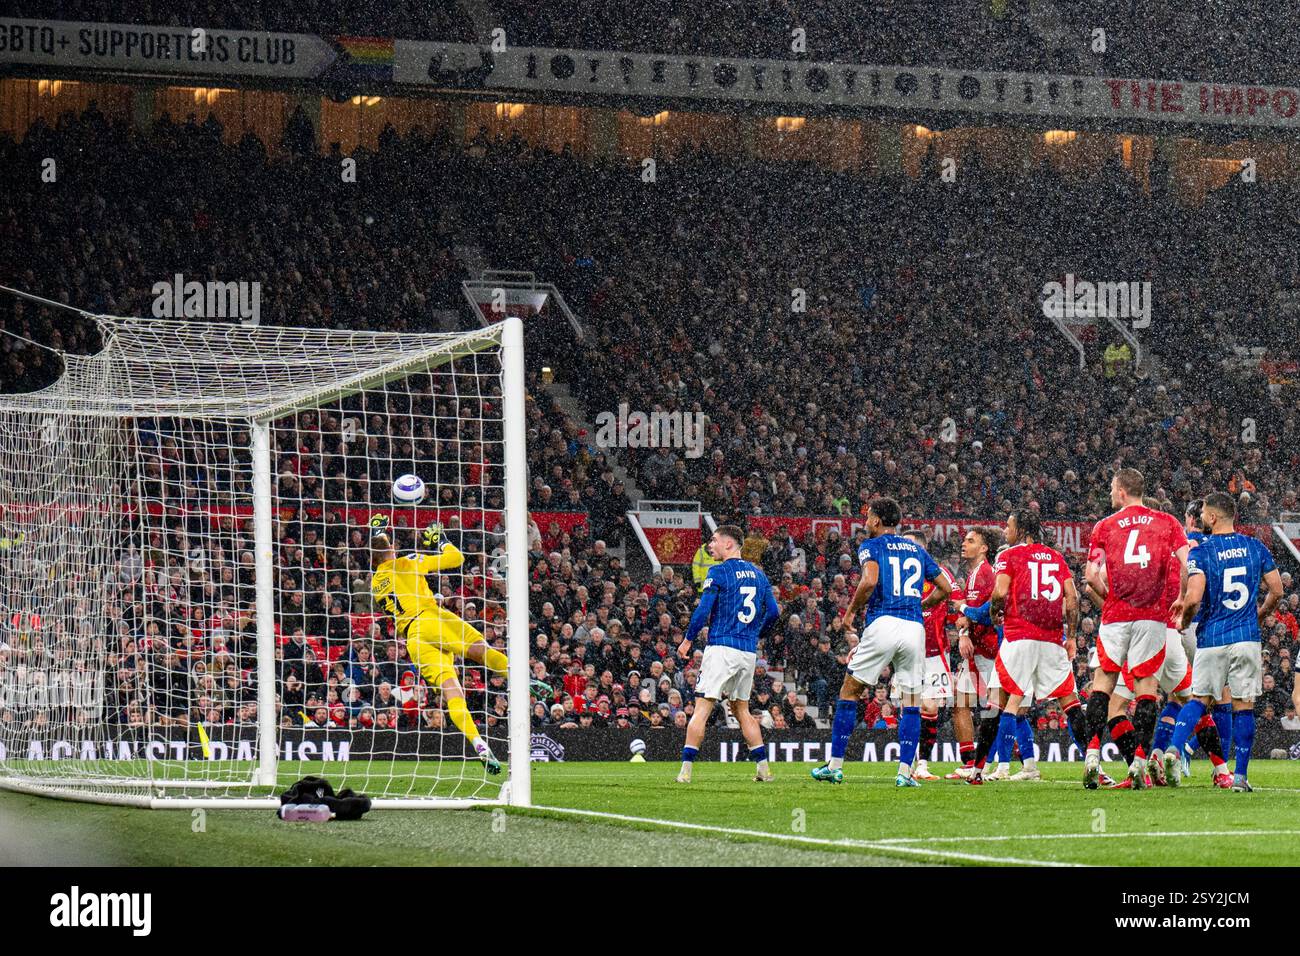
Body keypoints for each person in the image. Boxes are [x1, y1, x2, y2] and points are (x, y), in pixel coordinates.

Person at [812, 498, 951, 788]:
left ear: (876, 521)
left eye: (868, 517)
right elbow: (946, 588)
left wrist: (849, 613)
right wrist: (921, 604)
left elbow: (870, 580)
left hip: (883, 623)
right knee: (912, 703)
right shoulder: (915, 548)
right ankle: (904, 773)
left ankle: (835, 766)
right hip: (914, 628)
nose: (865, 522)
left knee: (849, 692)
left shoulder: (871, 546)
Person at [369, 515, 507, 774]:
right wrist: (439, 540)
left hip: (413, 639)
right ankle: (520, 680)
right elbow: (456, 558)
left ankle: (477, 741)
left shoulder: (376, 583)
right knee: (479, 650)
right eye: (390, 544)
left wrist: (377, 531)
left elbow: (377, 550)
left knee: (452, 691)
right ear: (389, 550)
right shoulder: (405, 563)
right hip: (429, 619)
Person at [1167, 493, 1283, 791]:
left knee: (1199, 699)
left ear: (1213, 518)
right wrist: (1258, 615)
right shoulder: (1255, 547)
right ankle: (1240, 777)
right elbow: (1278, 590)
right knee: (1243, 705)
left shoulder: (1202, 551)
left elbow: (1193, 597)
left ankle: (1173, 751)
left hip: (1212, 637)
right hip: (1246, 637)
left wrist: (1185, 619)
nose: (1202, 516)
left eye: (1204, 512)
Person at [1082, 468, 1189, 790]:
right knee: (1147, 689)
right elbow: (1188, 562)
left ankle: (1091, 756)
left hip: (1116, 616)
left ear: (1122, 491)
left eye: (1113, 489)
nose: (1111, 494)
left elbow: (1090, 575)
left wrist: (1109, 596)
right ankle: (1139, 763)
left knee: (1103, 683)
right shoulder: (1167, 523)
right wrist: (1182, 597)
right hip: (1152, 618)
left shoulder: (1105, 526)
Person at [976, 509, 1090, 783]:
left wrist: (994, 614)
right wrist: (1071, 635)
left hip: (1019, 638)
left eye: (1009, 525)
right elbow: (1072, 598)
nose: (1005, 530)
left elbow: (1000, 592)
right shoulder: (1056, 557)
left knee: (999, 705)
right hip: (1052, 641)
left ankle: (979, 769)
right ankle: (1093, 761)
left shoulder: (1009, 555)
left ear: (1021, 529)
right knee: (1071, 704)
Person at [675, 525, 780, 784]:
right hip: (747, 651)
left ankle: (685, 771)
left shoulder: (718, 572)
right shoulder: (758, 574)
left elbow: (702, 611)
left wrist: (688, 639)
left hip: (721, 647)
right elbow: (775, 612)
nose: (710, 546)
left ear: (729, 544)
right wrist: (756, 633)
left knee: (702, 707)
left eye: (714, 541)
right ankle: (764, 770)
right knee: (742, 710)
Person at [901, 527, 958, 781]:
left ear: (922, 548)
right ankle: (907, 763)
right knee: (910, 706)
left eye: (909, 544)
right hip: (906, 650)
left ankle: (921, 764)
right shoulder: (897, 574)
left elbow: (956, 604)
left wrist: (962, 630)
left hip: (935, 652)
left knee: (931, 707)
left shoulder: (940, 574)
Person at [947, 526, 998, 780]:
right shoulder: (974, 574)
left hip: (989, 651)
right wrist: (965, 634)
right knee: (959, 703)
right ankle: (970, 762)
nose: (964, 544)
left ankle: (997, 764)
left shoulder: (987, 574)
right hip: (975, 648)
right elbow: (967, 614)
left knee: (997, 709)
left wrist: (967, 626)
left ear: (984, 548)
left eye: (970, 541)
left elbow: (989, 613)